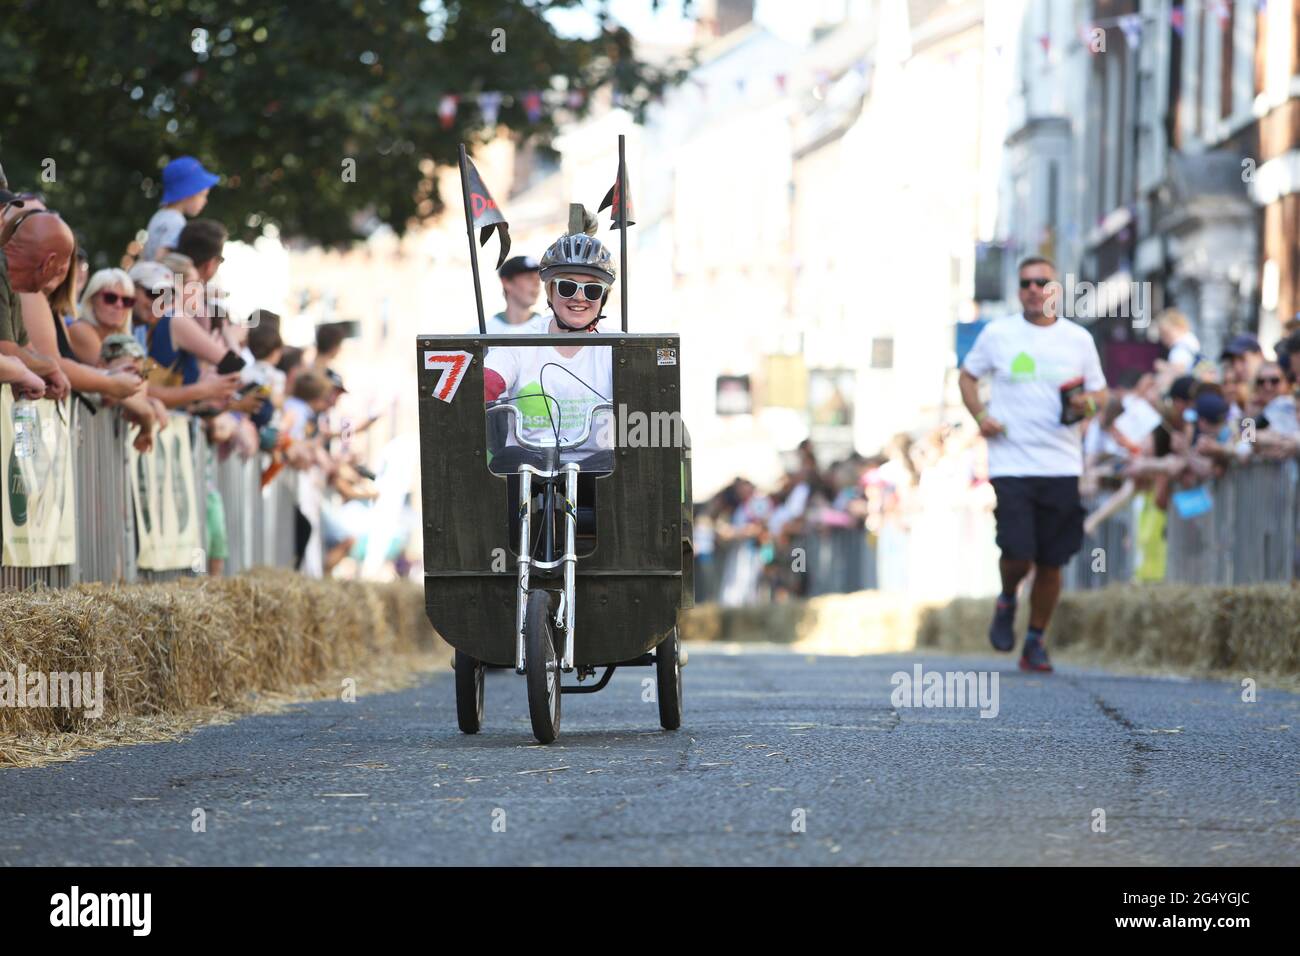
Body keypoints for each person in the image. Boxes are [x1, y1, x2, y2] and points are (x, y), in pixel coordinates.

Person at [959, 255, 1108, 672]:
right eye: (1025, 283)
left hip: (1061, 463)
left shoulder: (1077, 339)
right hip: (1011, 461)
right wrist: (980, 416)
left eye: (1042, 282)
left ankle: (1036, 639)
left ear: (1056, 289)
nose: (1033, 289)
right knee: (1018, 552)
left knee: (1052, 561)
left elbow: (1102, 394)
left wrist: (1086, 404)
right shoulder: (998, 334)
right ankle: (1007, 598)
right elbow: (967, 377)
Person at [482, 231, 615, 474]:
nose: (579, 297)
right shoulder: (521, 341)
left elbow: (648, 397)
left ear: (603, 298)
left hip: (598, 468)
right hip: (527, 467)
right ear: (550, 292)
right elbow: (487, 381)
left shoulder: (617, 347)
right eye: (567, 287)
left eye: (592, 290)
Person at [142, 156, 219, 260]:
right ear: (188, 192)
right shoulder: (177, 222)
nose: (205, 201)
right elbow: (165, 258)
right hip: (165, 275)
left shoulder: (158, 216)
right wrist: (181, 276)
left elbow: (145, 254)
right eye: (202, 194)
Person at [483, 255, 546, 334]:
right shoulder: (483, 332)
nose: (536, 284)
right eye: (529, 278)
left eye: (538, 279)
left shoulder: (548, 329)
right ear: (507, 283)